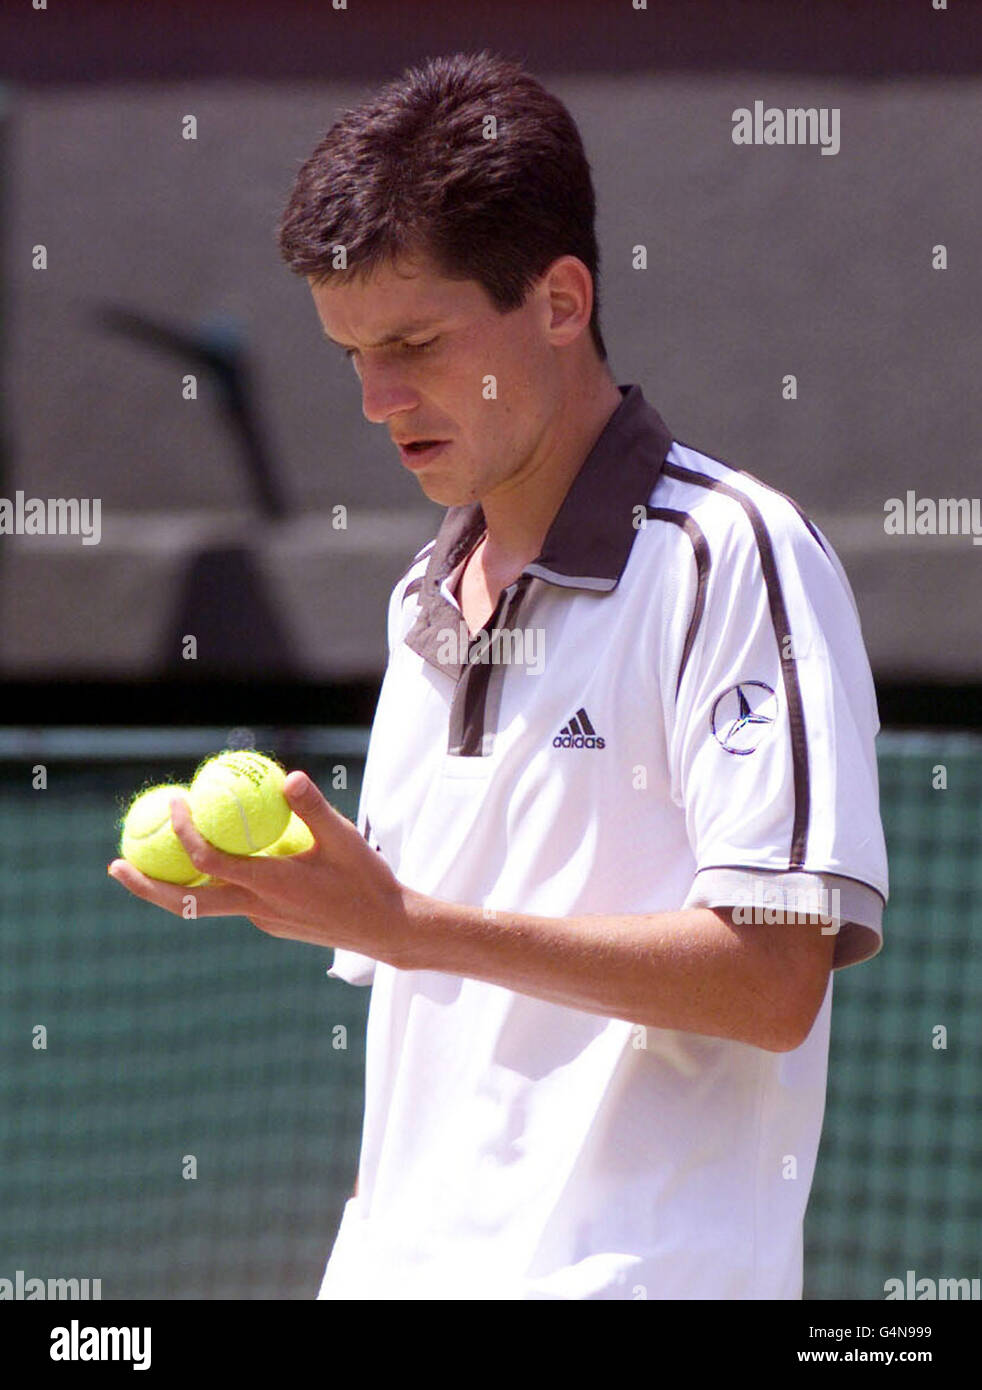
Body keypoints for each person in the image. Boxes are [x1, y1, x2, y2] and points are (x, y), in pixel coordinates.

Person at [110, 50, 888, 1300]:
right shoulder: (422, 596)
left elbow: (773, 978)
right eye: (351, 353)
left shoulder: (735, 557)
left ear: (562, 301)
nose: (375, 398)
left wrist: (410, 926)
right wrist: (337, 912)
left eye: (412, 340)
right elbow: (447, 1016)